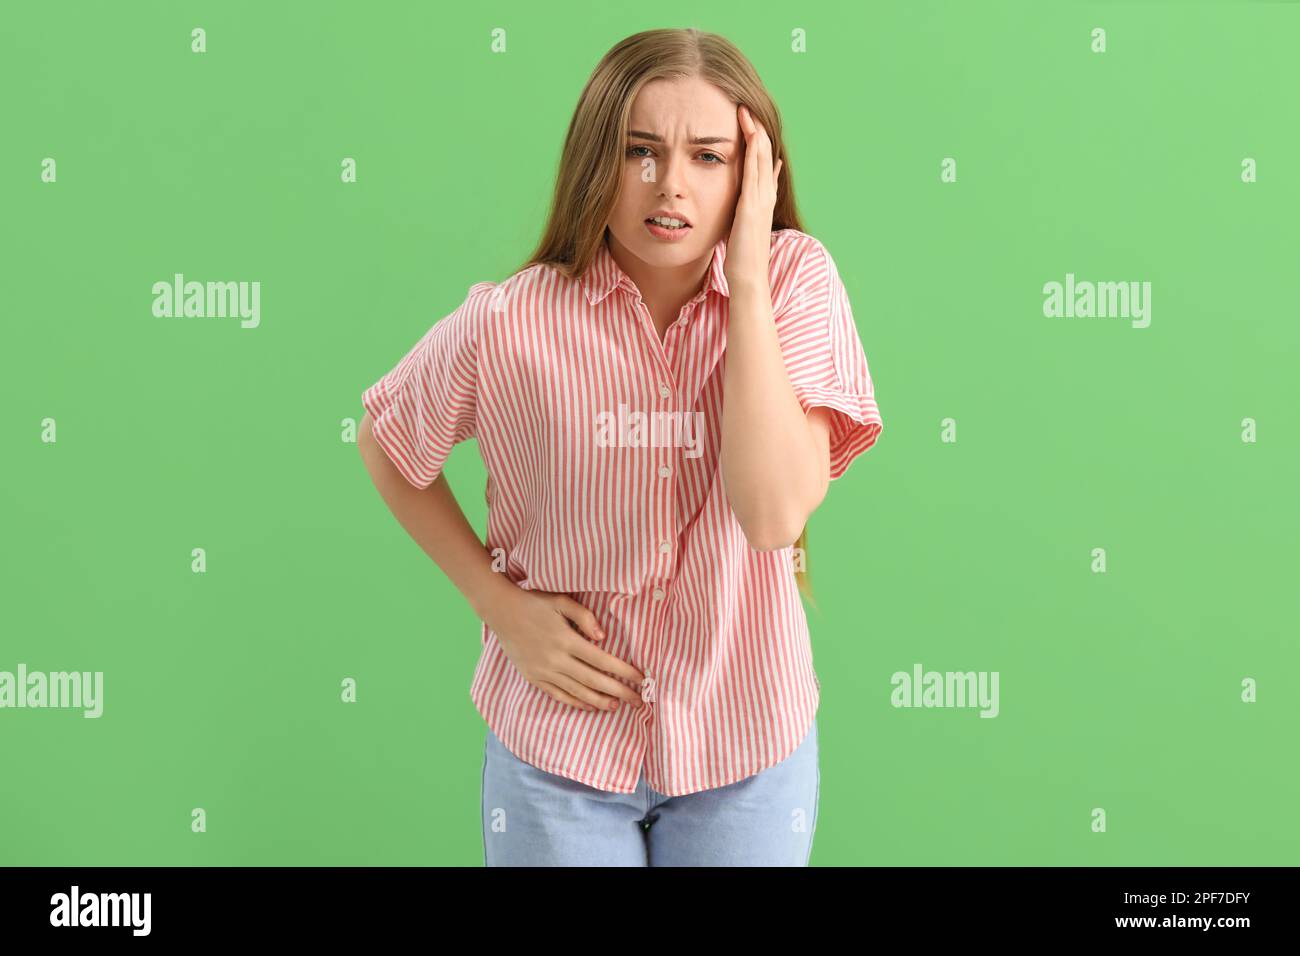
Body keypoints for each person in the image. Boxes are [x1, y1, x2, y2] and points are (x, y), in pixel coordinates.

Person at [358, 27, 884, 866]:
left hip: (744, 747)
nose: (670, 184)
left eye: (709, 157)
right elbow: (387, 439)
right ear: (597, 161)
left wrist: (745, 284)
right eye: (642, 151)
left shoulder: (794, 285)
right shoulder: (511, 321)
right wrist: (497, 603)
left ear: (753, 176)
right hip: (557, 756)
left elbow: (772, 513)